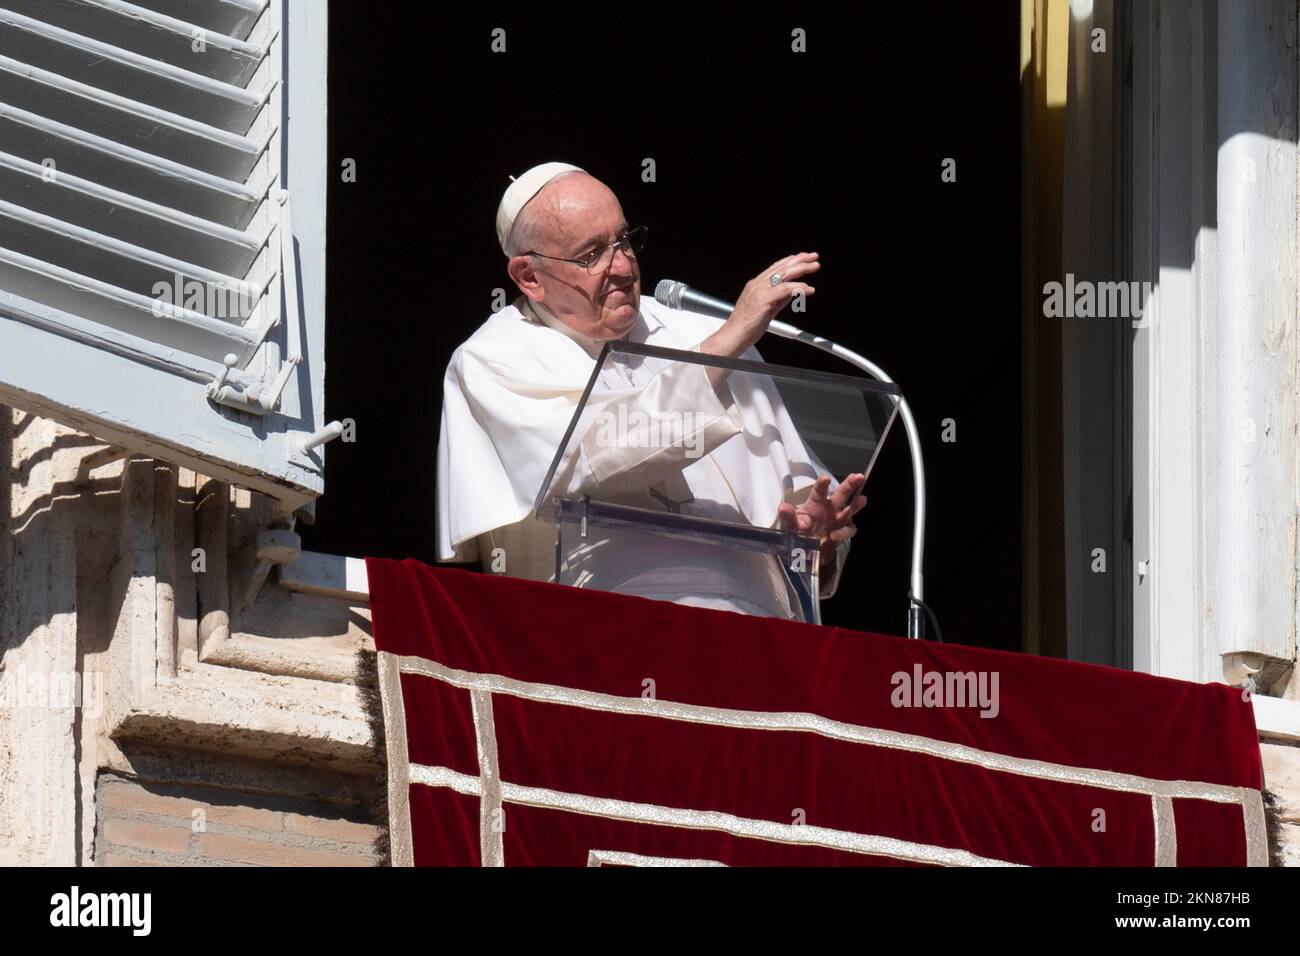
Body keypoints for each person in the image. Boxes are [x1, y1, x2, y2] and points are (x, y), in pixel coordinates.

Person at [436, 161, 867, 619]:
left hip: (757, 630)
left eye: (624, 241)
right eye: (592, 255)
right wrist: (729, 338)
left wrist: (813, 541)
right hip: (597, 630)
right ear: (529, 277)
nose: (622, 266)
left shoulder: (705, 335)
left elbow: (799, 511)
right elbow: (596, 458)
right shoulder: (494, 357)